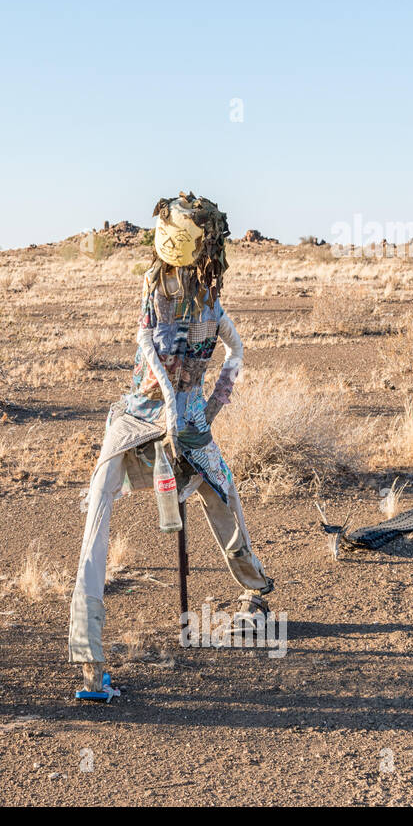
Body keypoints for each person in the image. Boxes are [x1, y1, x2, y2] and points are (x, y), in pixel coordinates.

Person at [69, 192, 272, 701]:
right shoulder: (195, 297)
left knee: (106, 514)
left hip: (154, 418)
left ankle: (92, 667)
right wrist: (204, 403)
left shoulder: (179, 293)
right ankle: (91, 662)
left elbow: (159, 347)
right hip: (164, 419)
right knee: (218, 494)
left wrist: (205, 402)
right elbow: (225, 349)